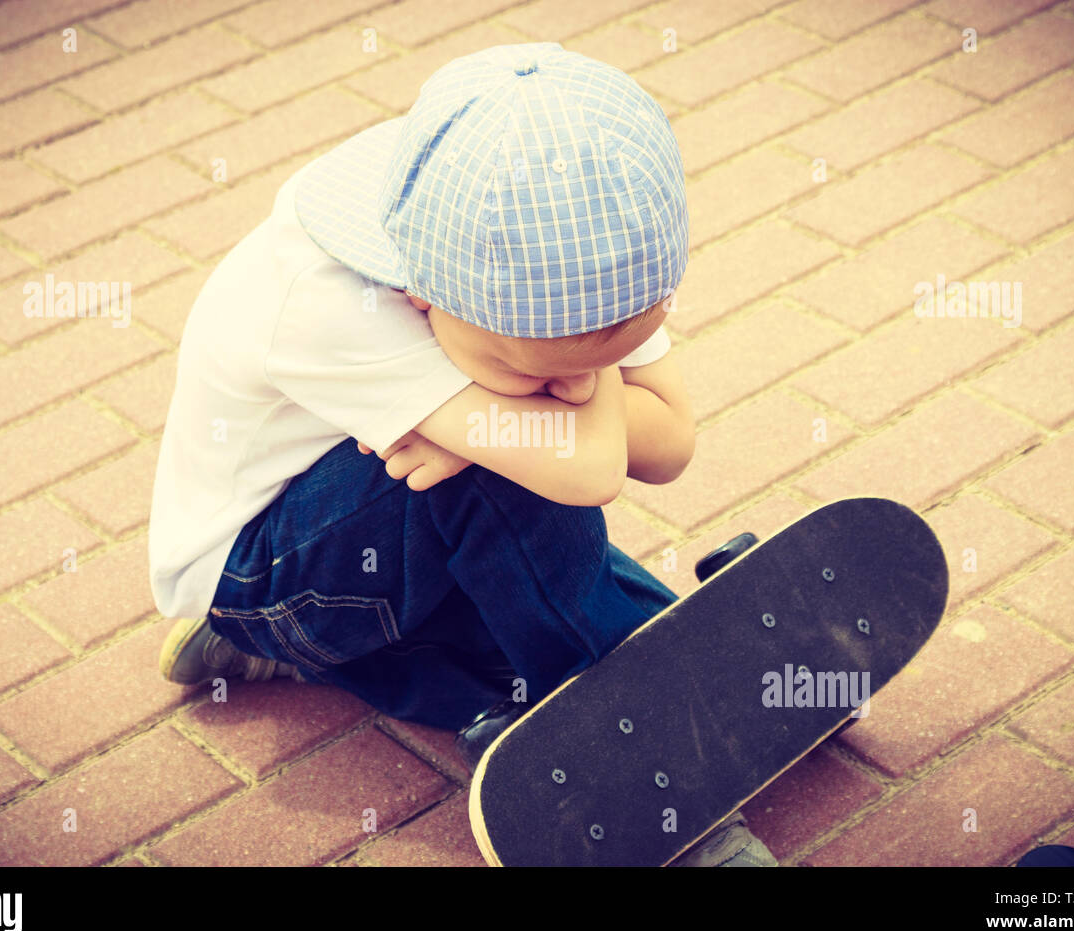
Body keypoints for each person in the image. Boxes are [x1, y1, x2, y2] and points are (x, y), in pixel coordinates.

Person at [147, 41, 773, 867]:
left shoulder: (584, 250)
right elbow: (584, 475)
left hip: (375, 554)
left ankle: (617, 687)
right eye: (530, 369)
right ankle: (639, 772)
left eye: (616, 344)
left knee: (519, 598)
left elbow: (669, 447)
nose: (573, 381)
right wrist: (578, 405)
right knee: (509, 494)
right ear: (420, 294)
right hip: (263, 570)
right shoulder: (333, 301)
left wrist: (548, 396)